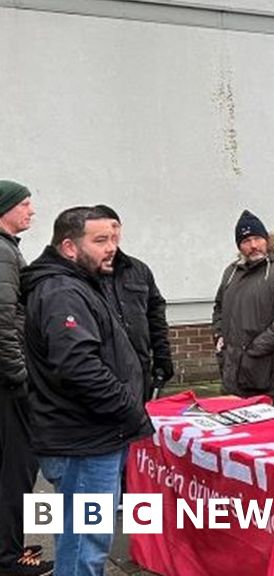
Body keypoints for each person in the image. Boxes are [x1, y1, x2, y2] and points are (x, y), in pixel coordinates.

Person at [21, 206, 153, 576]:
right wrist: (131, 410)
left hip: (90, 436)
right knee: (85, 545)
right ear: (69, 247)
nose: (111, 247)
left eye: (114, 238)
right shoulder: (63, 291)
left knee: (80, 539)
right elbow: (79, 367)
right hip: (84, 440)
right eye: (100, 240)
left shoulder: (78, 283)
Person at [0, 181, 52, 576]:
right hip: (8, 383)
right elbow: (3, 323)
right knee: (15, 468)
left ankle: (10, 544)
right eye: (25, 204)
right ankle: (9, 556)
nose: (32, 211)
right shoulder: (2, 253)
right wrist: (20, 376)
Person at [212, 210, 274, 412]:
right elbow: (219, 308)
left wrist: (253, 350)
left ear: (266, 240)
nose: (253, 245)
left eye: (257, 238)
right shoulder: (231, 273)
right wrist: (220, 338)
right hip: (233, 380)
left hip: (269, 382)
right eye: (246, 241)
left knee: (271, 440)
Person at [92, 205, 173, 401]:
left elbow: (155, 314)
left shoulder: (138, 270)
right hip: (103, 371)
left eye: (115, 227)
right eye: (104, 231)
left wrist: (162, 354)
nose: (112, 234)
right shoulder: (85, 271)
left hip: (140, 366)